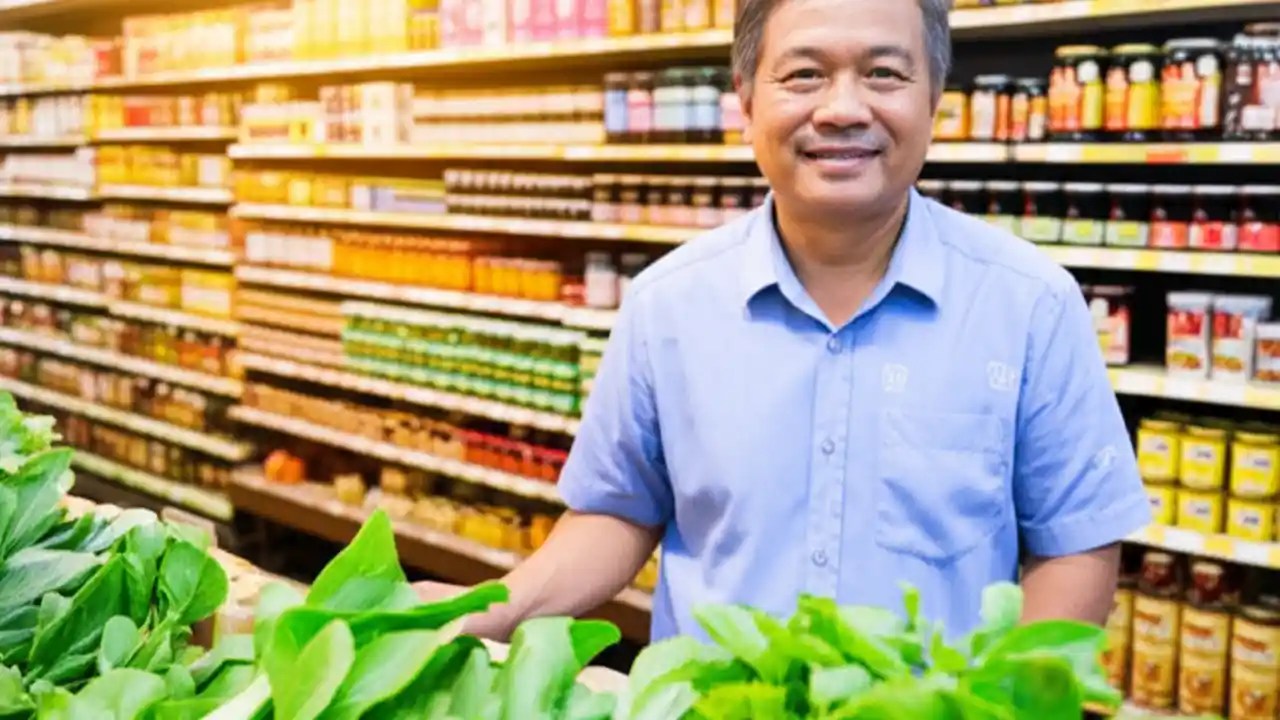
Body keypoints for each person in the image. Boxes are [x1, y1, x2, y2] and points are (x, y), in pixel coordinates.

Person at [417, 0, 1151, 643]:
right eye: (804, 74)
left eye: (884, 74)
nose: (842, 109)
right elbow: (618, 512)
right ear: (745, 99)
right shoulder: (667, 303)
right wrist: (484, 611)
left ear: (933, 99)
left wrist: (1008, 697)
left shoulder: (1030, 304)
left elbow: (1076, 544)